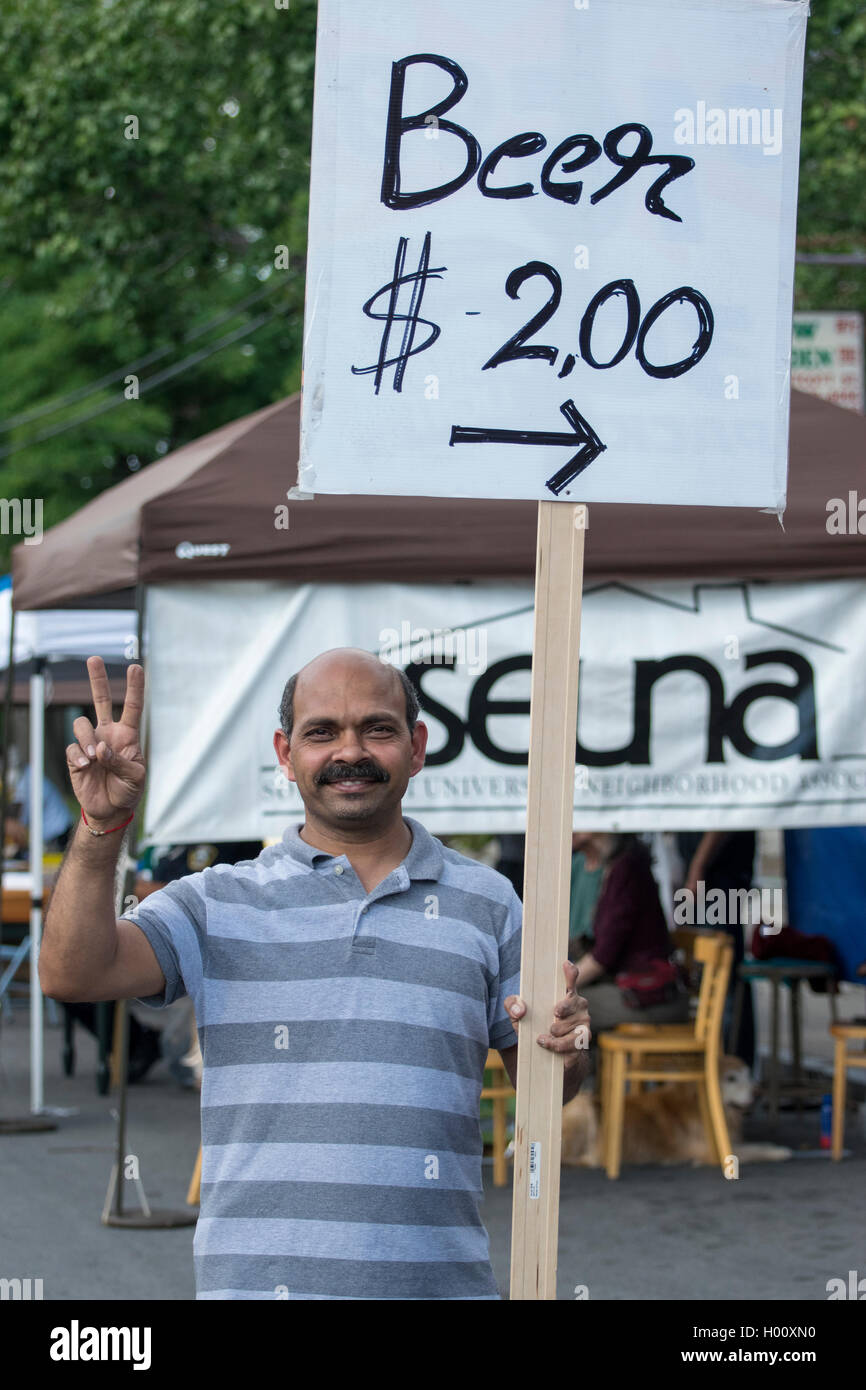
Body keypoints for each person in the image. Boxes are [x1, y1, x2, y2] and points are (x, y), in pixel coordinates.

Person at [40, 650, 591, 1301]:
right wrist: (102, 826)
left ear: (417, 748)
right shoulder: (217, 900)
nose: (349, 751)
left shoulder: (489, 902)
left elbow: (544, 1089)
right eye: (322, 731)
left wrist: (569, 1044)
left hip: (441, 1286)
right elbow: (72, 973)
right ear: (285, 752)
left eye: (378, 729)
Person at [568, 832, 689, 1037]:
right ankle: (588, 1068)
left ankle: (583, 1069)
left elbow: (602, 958)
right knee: (565, 1004)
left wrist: (559, 986)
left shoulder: (628, 868)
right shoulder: (620, 865)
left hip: (648, 995)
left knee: (561, 1010)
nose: (570, 825)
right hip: (637, 989)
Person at [677, 830, 756, 1069]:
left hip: (718, 880)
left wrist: (696, 868)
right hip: (704, 878)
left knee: (723, 983)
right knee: (708, 981)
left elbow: (722, 819)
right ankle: (722, 1067)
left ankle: (731, 1068)